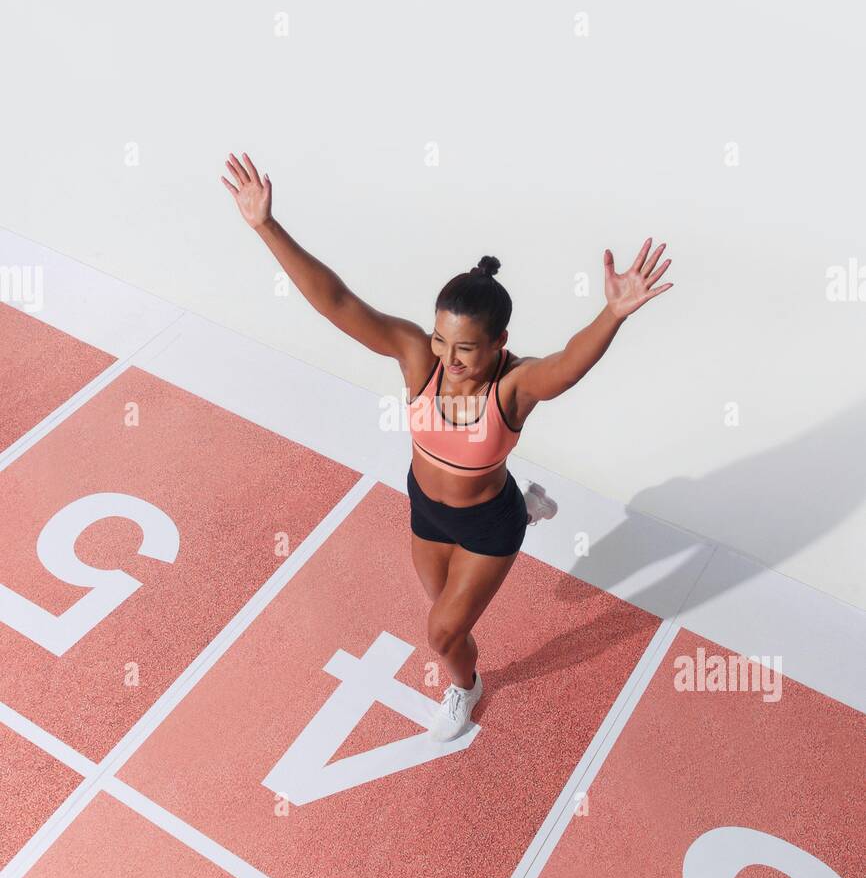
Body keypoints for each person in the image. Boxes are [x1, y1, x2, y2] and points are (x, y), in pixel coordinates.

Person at [221, 151, 673, 741]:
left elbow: (564, 367)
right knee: (444, 617)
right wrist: (266, 227)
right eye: (440, 340)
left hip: (488, 525)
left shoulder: (513, 386)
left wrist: (612, 314)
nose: (450, 360)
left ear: (499, 343)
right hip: (426, 510)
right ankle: (529, 502)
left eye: (465, 349)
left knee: (442, 637)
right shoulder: (420, 361)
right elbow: (338, 302)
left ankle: (466, 686)